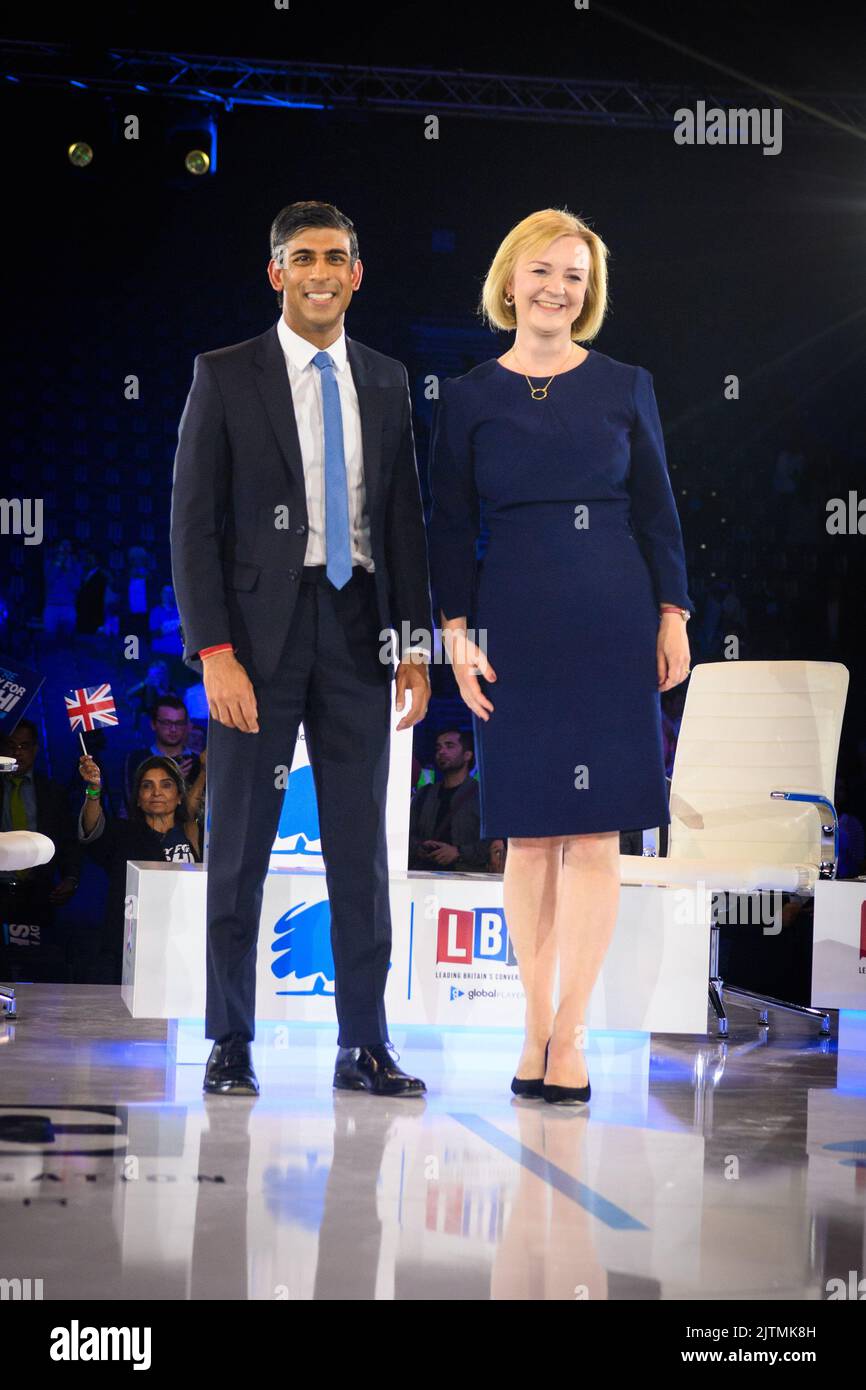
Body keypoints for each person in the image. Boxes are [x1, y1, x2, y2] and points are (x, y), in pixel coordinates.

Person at [428, 207, 693, 1104]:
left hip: (613, 617)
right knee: (529, 836)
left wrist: (674, 611)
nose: (556, 288)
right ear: (509, 282)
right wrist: (455, 636)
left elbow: (658, 508)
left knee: (594, 836)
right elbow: (451, 526)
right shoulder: (467, 396)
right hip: (515, 624)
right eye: (542, 271)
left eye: (574, 276)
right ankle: (531, 1026)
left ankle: (571, 1034)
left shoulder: (626, 385)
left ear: (591, 292)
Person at [170, 200, 434, 1097]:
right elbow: (192, 526)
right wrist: (213, 651)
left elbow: (404, 522)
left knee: (361, 848)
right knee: (238, 840)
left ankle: (363, 1044)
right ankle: (229, 1041)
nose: (320, 271)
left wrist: (412, 642)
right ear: (276, 272)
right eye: (302, 257)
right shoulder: (225, 372)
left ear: (358, 273)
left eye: (337, 257)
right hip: (255, 640)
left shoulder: (390, 378)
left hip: (360, 629)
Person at [76, 752, 204, 982]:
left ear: (178, 796)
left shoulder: (195, 834)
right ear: (138, 797)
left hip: (184, 944)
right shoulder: (123, 835)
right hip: (131, 949)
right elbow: (92, 831)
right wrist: (94, 790)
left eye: (166, 785)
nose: (156, 792)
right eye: (147, 786)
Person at [0, 719, 81, 979]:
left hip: (38, 892)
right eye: (11, 745)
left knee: (39, 966)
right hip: (0, 889)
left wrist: (70, 878)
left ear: (35, 749)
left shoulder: (52, 791)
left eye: (24, 745)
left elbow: (67, 839)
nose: (17, 752)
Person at [408, 727, 492, 871]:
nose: (441, 751)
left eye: (449, 746)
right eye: (438, 747)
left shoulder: (483, 796)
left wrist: (458, 852)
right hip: (423, 877)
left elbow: (493, 843)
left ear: (467, 755)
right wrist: (419, 847)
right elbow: (407, 833)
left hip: (468, 881)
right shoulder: (425, 794)